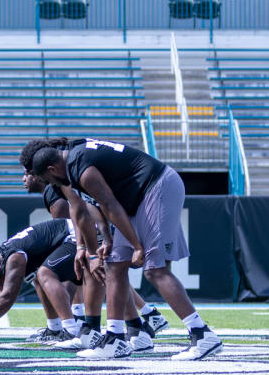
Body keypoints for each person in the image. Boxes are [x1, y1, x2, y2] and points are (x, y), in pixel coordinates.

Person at [27, 137, 221, 361]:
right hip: (136, 197)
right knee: (114, 265)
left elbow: (110, 204)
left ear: (52, 168)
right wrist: (108, 239)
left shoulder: (80, 167)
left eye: (48, 179)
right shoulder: (71, 160)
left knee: (154, 269)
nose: (51, 184)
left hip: (156, 186)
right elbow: (96, 205)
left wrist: (137, 246)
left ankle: (201, 334)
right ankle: (118, 338)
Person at [0, 219, 83, 342]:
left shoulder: (14, 258)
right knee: (37, 278)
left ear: (3, 270)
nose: (6, 285)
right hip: (67, 237)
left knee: (45, 274)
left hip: (77, 234)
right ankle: (54, 328)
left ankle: (71, 330)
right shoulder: (8, 255)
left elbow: (7, 296)